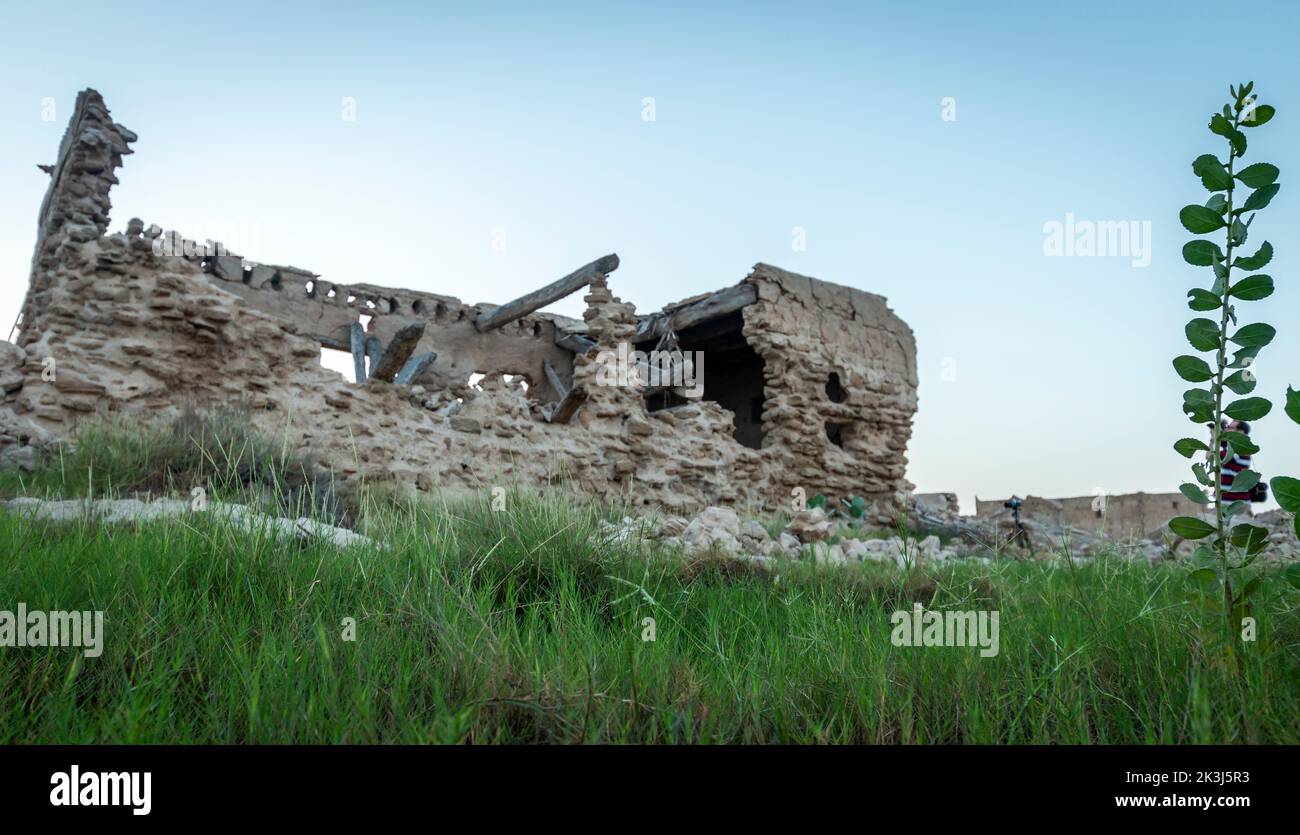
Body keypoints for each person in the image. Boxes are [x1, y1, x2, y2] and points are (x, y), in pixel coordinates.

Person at [1215, 420, 1254, 501]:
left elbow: (1212, 456)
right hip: (1229, 500)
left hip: (1234, 501)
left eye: (1230, 428)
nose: (1226, 430)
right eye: (1227, 427)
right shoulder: (1237, 449)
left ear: (1241, 432)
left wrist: (1214, 437)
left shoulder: (1239, 451)